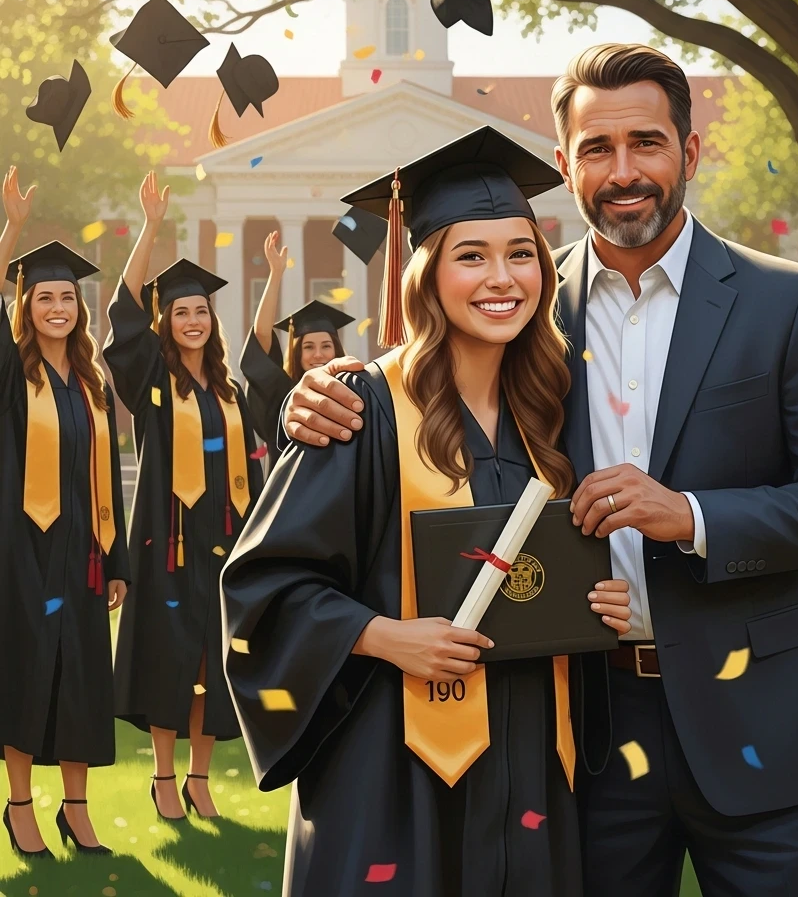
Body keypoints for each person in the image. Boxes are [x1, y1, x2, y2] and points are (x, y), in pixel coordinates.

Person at [280, 44, 798, 896]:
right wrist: (312, 396)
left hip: (756, 717)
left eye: (646, 142)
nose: (624, 171)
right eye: (598, 150)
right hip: (584, 733)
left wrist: (691, 516)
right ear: (565, 164)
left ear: (690, 151)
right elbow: (422, 384)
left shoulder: (784, 301)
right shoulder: (529, 308)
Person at [221, 126, 633, 897]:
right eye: (469, 255)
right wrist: (383, 636)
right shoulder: (360, 411)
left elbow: (538, 581)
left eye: (520, 253)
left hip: (533, 767)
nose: (500, 277)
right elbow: (263, 588)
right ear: (426, 274)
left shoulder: (550, 414)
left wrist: (595, 608)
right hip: (391, 770)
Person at [103, 171, 263, 822]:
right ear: (166, 320)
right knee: (171, 661)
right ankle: (164, 779)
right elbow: (122, 316)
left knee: (212, 663)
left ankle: (200, 779)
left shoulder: (230, 392)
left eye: (201, 311)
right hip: (166, 538)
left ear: (211, 320)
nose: (192, 320)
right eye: (181, 312)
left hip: (223, 543)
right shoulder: (152, 379)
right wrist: (150, 227)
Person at [0, 167, 129, 858]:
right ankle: (19, 806)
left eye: (67, 298)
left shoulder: (91, 383)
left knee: (81, 679)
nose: (57, 308)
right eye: (44, 297)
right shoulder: (12, 374)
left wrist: (117, 561)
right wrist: (12, 230)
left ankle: (75, 811)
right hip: (22, 549)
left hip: (82, 550)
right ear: (27, 305)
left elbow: (105, 478)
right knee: (27, 672)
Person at [240, 230, 352, 468]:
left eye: (326, 346)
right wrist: (276, 274)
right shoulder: (283, 395)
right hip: (289, 495)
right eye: (308, 347)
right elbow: (261, 337)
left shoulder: (352, 396)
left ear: (337, 351)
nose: (318, 354)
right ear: (297, 353)